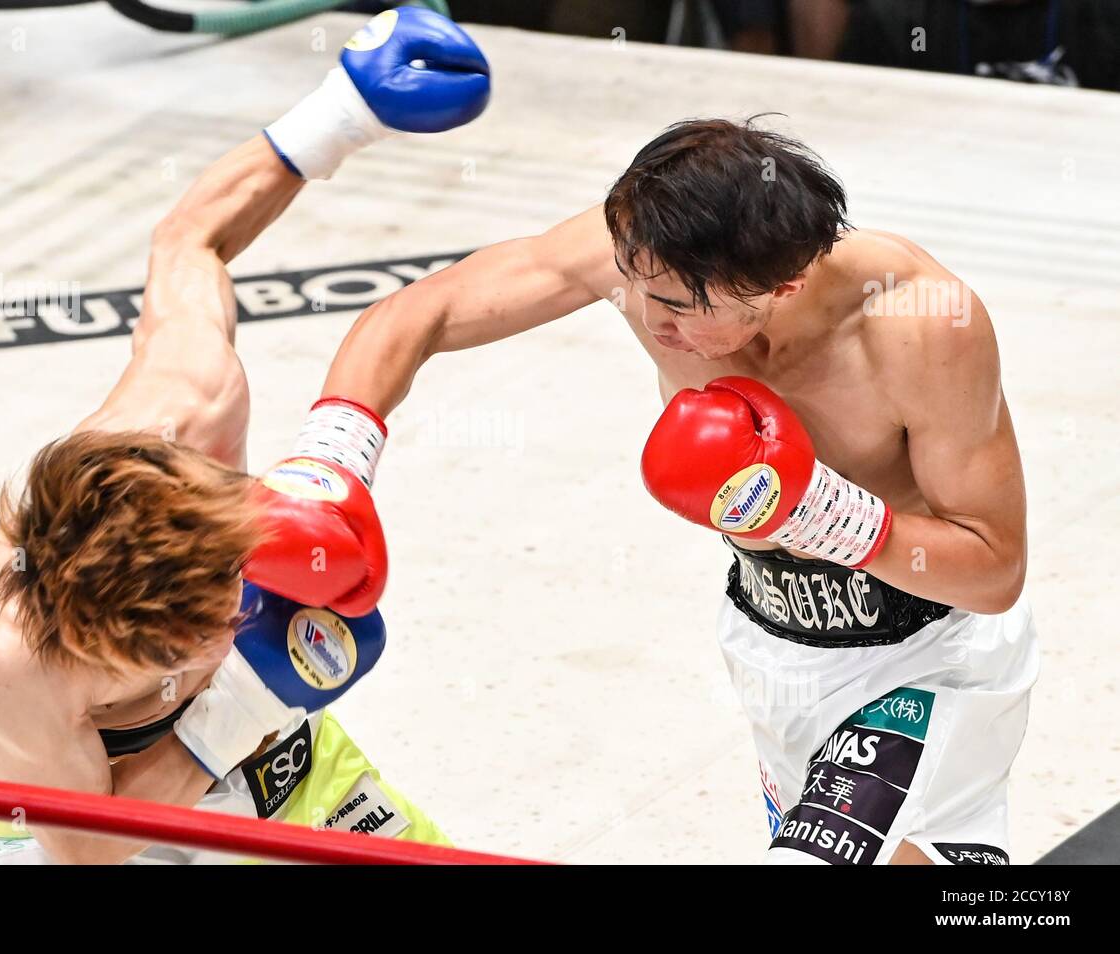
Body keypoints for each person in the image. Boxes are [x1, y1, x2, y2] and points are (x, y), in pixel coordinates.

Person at [316, 116, 1038, 865]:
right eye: (635, 286)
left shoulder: (916, 325)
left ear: (782, 283)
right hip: (770, 642)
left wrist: (822, 512)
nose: (647, 318)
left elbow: (995, 570)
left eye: (679, 308)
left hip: (927, 660)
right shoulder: (643, 252)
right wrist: (330, 458)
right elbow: (420, 312)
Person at [0, 7, 490, 864]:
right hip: (89, 822)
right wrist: (243, 699)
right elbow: (87, 846)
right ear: (100, 639)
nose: (240, 617)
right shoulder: (3, 652)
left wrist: (340, 115)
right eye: (199, 629)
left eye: (230, 586)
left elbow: (188, 241)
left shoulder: (186, 405)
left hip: (282, 766)